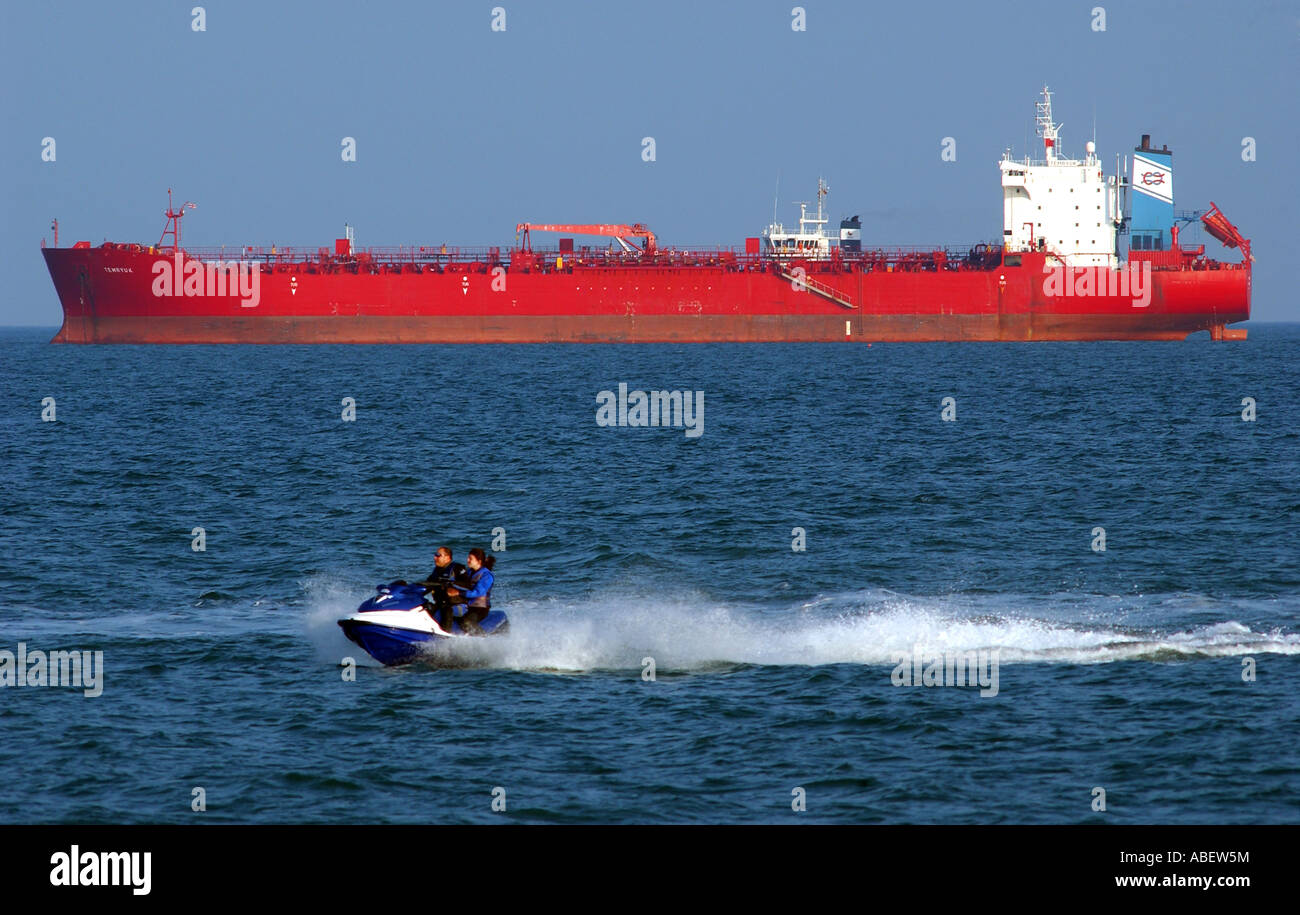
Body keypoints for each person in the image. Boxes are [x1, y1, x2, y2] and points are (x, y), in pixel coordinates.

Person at [415, 546, 467, 632]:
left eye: (438, 555)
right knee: (424, 608)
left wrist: (451, 585)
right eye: (435, 555)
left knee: (446, 610)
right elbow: (428, 583)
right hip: (440, 603)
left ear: (447, 557)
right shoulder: (437, 571)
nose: (435, 557)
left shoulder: (457, 568)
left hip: (457, 605)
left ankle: (445, 638)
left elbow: (467, 585)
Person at [444, 548, 495, 635]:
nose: (467, 560)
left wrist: (458, 593)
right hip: (467, 605)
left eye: (470, 558)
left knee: (466, 622)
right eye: (468, 558)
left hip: (480, 608)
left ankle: (484, 638)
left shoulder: (487, 575)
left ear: (478, 561)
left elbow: (478, 592)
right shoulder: (468, 572)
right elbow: (456, 581)